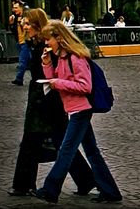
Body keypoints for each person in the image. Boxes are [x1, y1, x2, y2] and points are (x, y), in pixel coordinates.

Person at [34, 20, 123, 204]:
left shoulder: (75, 57)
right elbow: (54, 80)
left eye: (48, 40)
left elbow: (85, 86)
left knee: (66, 150)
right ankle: (110, 191)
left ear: (59, 38)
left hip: (81, 109)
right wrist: (47, 64)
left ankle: (51, 189)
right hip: (74, 109)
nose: (46, 44)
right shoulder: (63, 57)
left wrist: (57, 83)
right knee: (91, 151)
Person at [9, 9, 95, 197]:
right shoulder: (36, 44)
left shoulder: (47, 45)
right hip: (43, 97)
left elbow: (60, 76)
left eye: (27, 23)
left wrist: (51, 79)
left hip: (48, 99)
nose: (24, 26)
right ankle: (85, 179)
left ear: (37, 25)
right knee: (59, 142)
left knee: (40, 141)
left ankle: (25, 185)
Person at [9, 1, 29, 86]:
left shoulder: (27, 17)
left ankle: (19, 79)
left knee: (22, 61)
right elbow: (13, 31)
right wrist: (11, 23)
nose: (14, 9)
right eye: (13, 8)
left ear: (21, 8)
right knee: (27, 61)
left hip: (25, 42)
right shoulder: (16, 17)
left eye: (16, 7)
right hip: (19, 42)